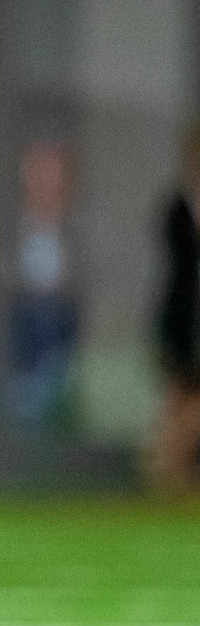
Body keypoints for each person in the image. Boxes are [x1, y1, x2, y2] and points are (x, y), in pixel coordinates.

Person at [151, 123, 200, 489]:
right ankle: (167, 473)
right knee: (178, 402)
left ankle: (170, 468)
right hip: (183, 324)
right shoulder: (178, 207)